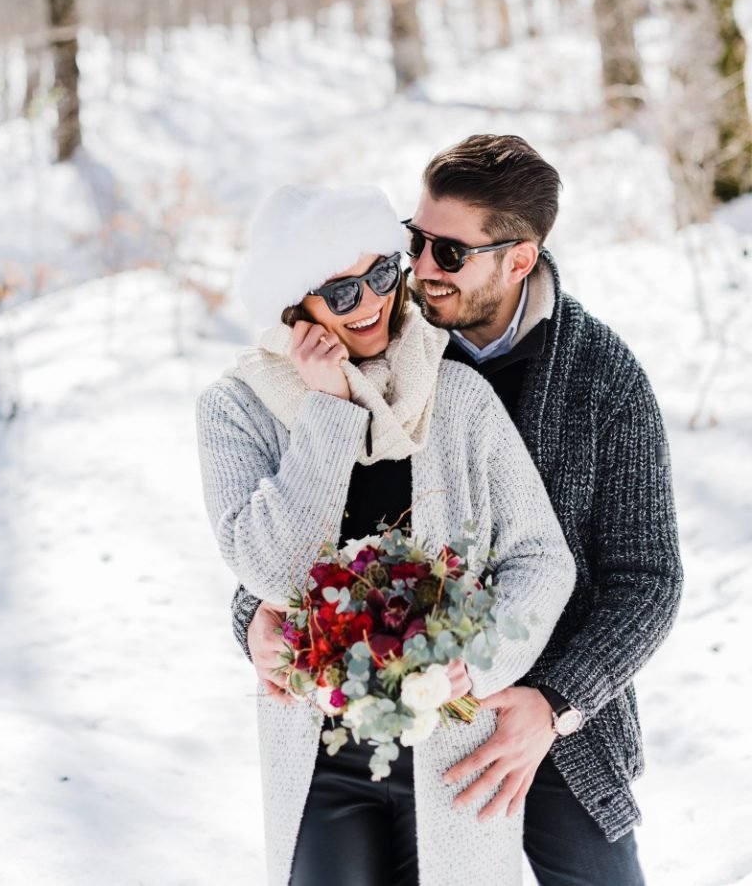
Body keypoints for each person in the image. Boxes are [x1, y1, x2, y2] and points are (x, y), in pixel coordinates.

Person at [233, 137, 684, 886]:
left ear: (518, 259)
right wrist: (253, 609)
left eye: (449, 251)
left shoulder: (603, 380)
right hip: (413, 711)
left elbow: (650, 579)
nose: (419, 268)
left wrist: (555, 701)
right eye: (413, 240)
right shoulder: (373, 347)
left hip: (554, 717)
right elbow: (312, 522)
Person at [197, 181, 576, 886]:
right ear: (295, 306)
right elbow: (273, 572)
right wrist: (327, 411)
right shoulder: (237, 409)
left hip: (457, 746)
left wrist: (480, 659)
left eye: (378, 275)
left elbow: (540, 557)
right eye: (339, 294)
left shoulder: (456, 391)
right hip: (323, 753)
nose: (369, 302)